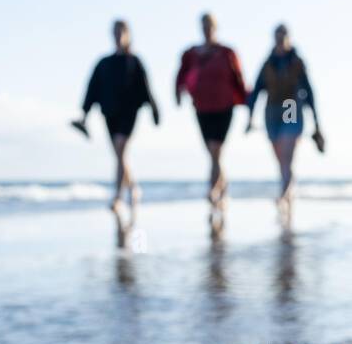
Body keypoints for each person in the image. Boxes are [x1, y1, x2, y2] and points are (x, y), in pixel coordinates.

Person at [73, 19, 160, 227]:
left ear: (128, 34)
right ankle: (134, 188)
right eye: (115, 32)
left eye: (121, 32)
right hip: (109, 113)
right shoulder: (104, 63)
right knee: (120, 155)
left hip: (129, 113)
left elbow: (146, 87)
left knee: (121, 150)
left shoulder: (135, 61)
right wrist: (84, 114)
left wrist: (154, 110)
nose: (118, 36)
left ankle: (118, 197)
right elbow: (92, 88)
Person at [175, 13, 247, 226]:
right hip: (202, 107)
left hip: (224, 106)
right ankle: (222, 187)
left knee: (216, 149)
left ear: (216, 28)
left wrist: (246, 102)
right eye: (204, 26)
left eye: (210, 26)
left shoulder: (227, 52)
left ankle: (213, 190)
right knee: (212, 151)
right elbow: (180, 75)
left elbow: (239, 77)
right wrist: (177, 93)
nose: (207, 29)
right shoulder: (191, 54)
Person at [246, 23, 323, 220]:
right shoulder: (268, 62)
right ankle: (287, 190)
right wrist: (249, 118)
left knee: (287, 153)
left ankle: (284, 193)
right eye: (277, 36)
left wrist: (316, 122)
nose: (280, 39)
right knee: (280, 158)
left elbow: (309, 91)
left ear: (288, 38)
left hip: (290, 105)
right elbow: (256, 91)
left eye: (283, 36)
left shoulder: (296, 61)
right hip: (271, 109)